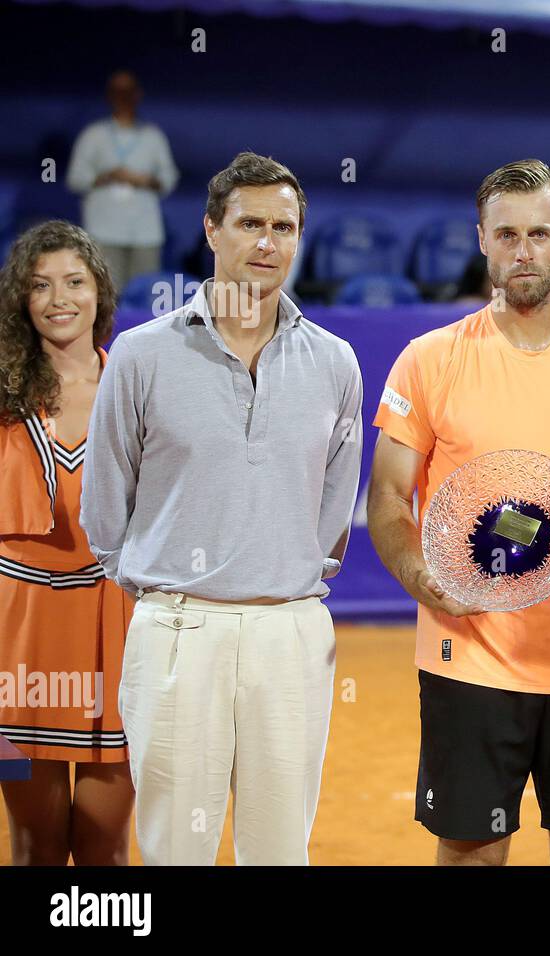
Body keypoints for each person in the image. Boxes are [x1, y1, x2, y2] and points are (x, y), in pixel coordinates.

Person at [367, 159, 550, 866]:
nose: (523, 251)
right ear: (482, 240)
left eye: (538, 233)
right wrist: (418, 574)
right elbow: (386, 498)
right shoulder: (428, 359)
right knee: (471, 852)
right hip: (468, 658)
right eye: (506, 234)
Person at [80, 151, 364, 866]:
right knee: (177, 847)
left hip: (292, 631)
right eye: (249, 223)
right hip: (178, 628)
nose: (266, 242)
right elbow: (105, 509)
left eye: (284, 226)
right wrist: (169, 588)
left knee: (279, 851)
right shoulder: (140, 356)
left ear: (299, 238)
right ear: (212, 229)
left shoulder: (336, 363)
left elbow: (333, 511)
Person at [0, 221, 134, 865]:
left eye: (74, 282)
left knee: (105, 842)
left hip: (118, 626)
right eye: (40, 285)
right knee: (35, 844)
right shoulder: (2, 394)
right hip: (16, 633)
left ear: (98, 292)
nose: (58, 298)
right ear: (21, 301)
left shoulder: (135, 386)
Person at [66, 70, 179, 291]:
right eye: (118, 91)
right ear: (110, 95)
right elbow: (75, 179)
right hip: (104, 230)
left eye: (128, 91)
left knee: (145, 294)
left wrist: (147, 181)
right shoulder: (94, 134)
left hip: (145, 232)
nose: (123, 96)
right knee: (105, 293)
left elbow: (169, 178)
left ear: (137, 95)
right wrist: (106, 176)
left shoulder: (152, 136)